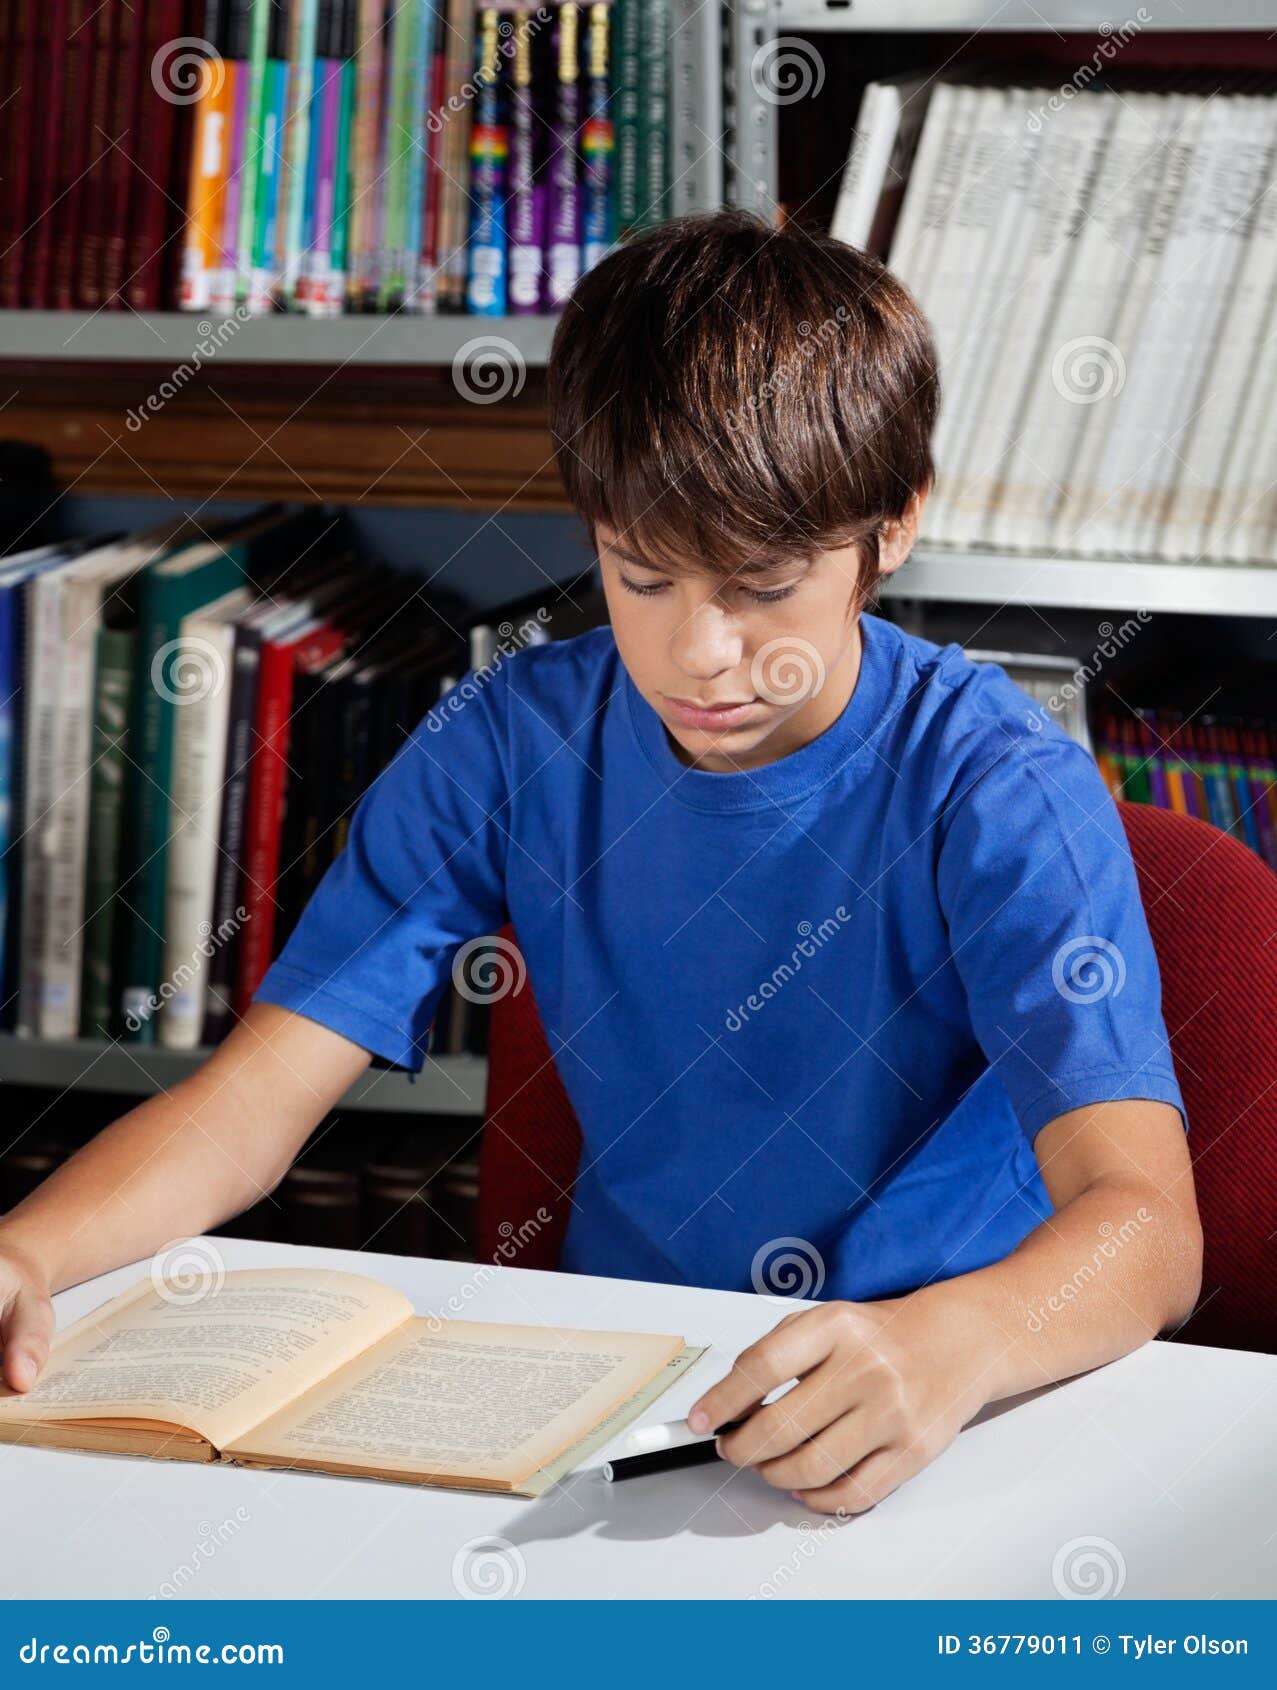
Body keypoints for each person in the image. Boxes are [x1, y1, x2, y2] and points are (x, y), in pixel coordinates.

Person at [0, 210, 1201, 1516]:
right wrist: (26, 1247)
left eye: (761, 584)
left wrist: (954, 1342)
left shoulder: (997, 785)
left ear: (893, 521)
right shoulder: (508, 743)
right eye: (640, 576)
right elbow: (246, 1110)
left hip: (957, 1391)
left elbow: (1146, 1229)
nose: (700, 654)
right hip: (634, 1393)